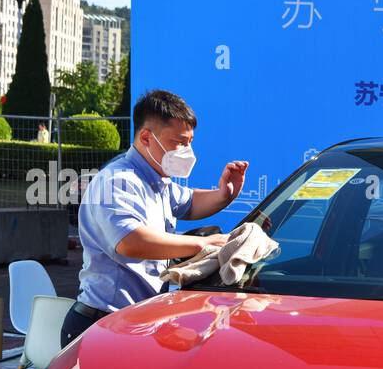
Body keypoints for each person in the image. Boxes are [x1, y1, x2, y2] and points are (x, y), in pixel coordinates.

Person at [61, 89, 249, 345]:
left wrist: (224, 194)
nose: (187, 151)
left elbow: (190, 203)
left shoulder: (157, 180)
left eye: (190, 142)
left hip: (136, 322)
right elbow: (130, 241)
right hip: (103, 324)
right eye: (179, 142)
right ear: (146, 137)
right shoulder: (118, 181)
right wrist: (203, 244)